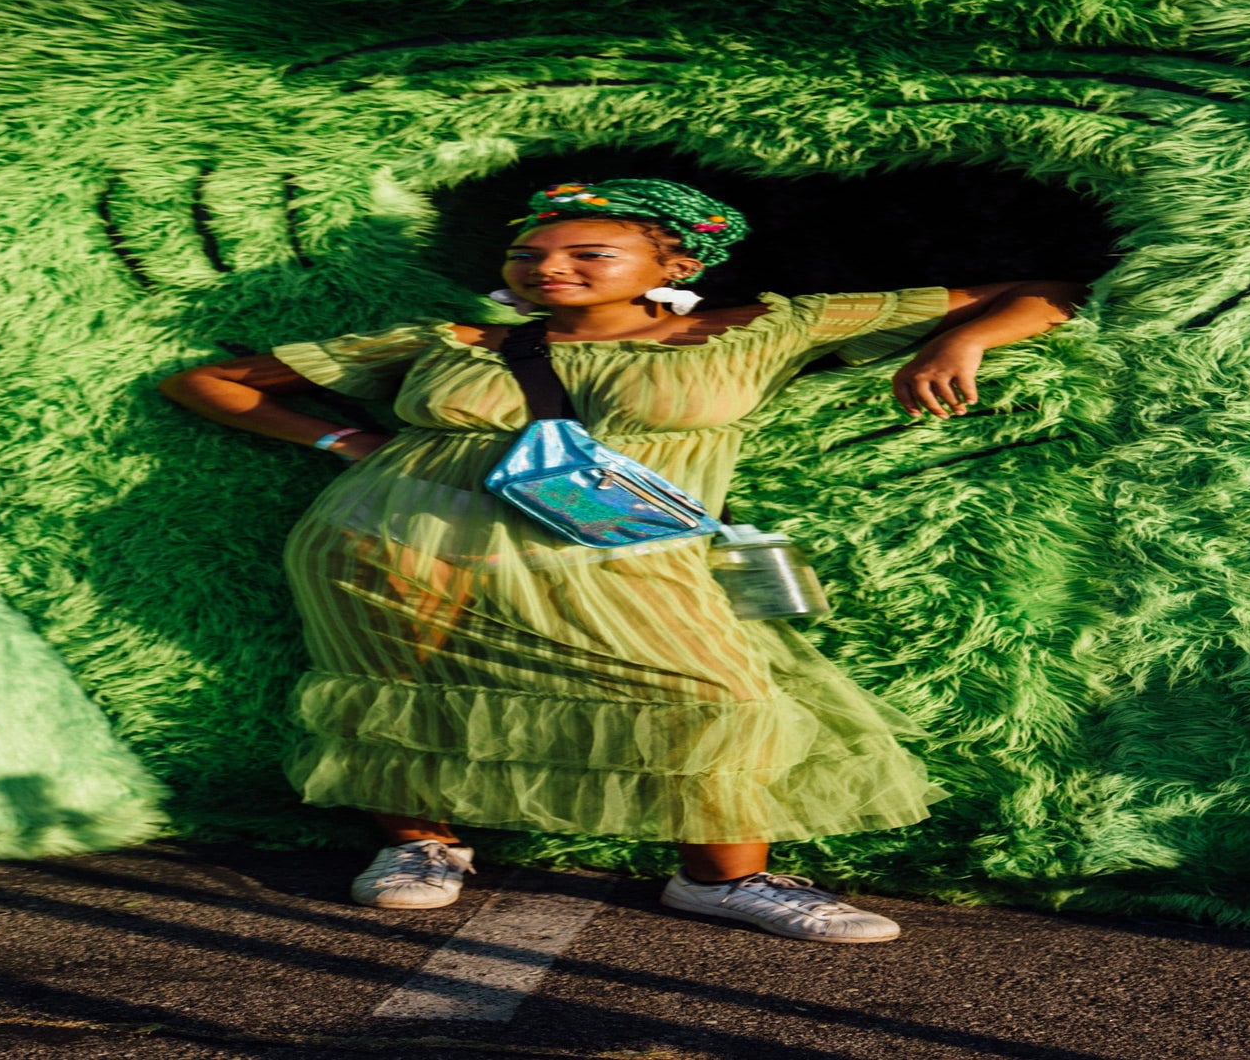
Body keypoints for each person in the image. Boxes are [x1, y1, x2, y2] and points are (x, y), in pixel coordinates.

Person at [160, 179, 1083, 943]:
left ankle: (721, 880)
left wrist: (961, 340)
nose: (547, 268)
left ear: (674, 265)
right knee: (403, 686)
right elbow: (204, 381)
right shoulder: (451, 342)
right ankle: (419, 845)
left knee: (712, 694)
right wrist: (343, 443)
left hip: (623, 551)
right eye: (528, 256)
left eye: (586, 254)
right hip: (401, 540)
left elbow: (1045, 294)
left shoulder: (765, 327)